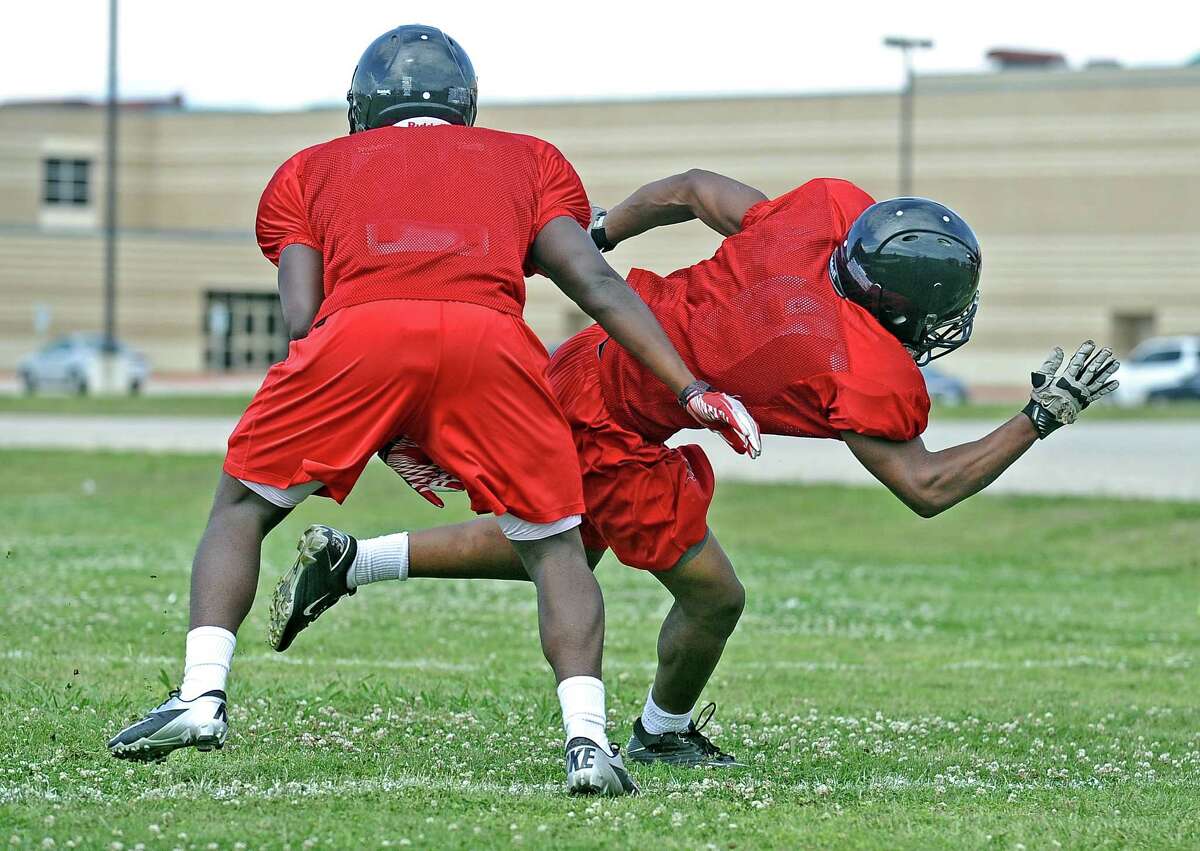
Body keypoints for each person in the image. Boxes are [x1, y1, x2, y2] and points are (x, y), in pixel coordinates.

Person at [265, 169, 1120, 767]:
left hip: (599, 351)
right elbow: (925, 487)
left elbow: (689, 188)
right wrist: (1039, 417)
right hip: (616, 424)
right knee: (712, 594)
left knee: (555, 541)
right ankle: (661, 731)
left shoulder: (817, 216)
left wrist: (600, 234)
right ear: (894, 303)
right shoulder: (852, 361)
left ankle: (351, 561)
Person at [105, 29, 760, 798]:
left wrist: (376, 422)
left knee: (242, 507)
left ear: (362, 108)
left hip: (356, 338)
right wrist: (690, 388)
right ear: (467, 105)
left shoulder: (308, 169)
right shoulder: (528, 159)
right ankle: (587, 741)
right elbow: (598, 284)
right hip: (491, 340)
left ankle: (201, 695)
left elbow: (304, 317)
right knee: (555, 547)